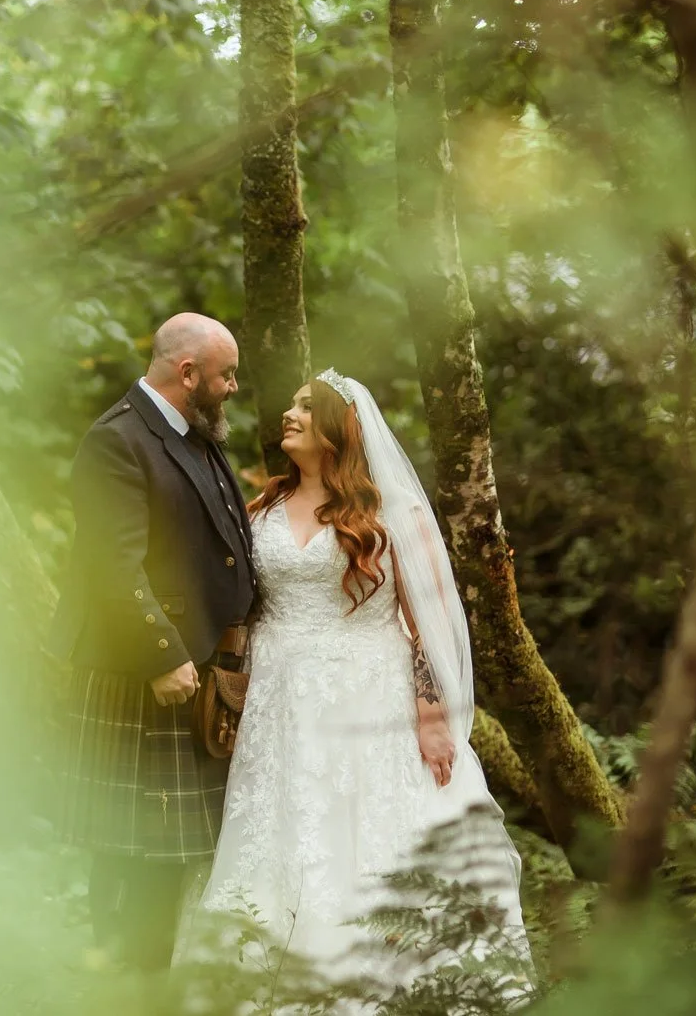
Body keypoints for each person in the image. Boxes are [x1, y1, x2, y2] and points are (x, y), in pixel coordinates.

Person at [179, 369, 529, 1007]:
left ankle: (383, 980)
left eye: (306, 408)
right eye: (291, 403)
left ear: (338, 431)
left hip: (371, 693)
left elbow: (426, 618)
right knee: (281, 824)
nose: (289, 414)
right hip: (278, 699)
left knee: (365, 824)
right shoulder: (259, 508)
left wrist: (430, 712)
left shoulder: (393, 516)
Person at [51, 312, 258, 972]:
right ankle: (122, 976)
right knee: (133, 845)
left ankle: (145, 977)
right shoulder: (117, 440)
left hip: (196, 666)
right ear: (187, 370)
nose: (233, 386)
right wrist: (163, 653)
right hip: (140, 669)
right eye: (225, 373)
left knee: (166, 853)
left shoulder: (195, 434)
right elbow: (114, 564)